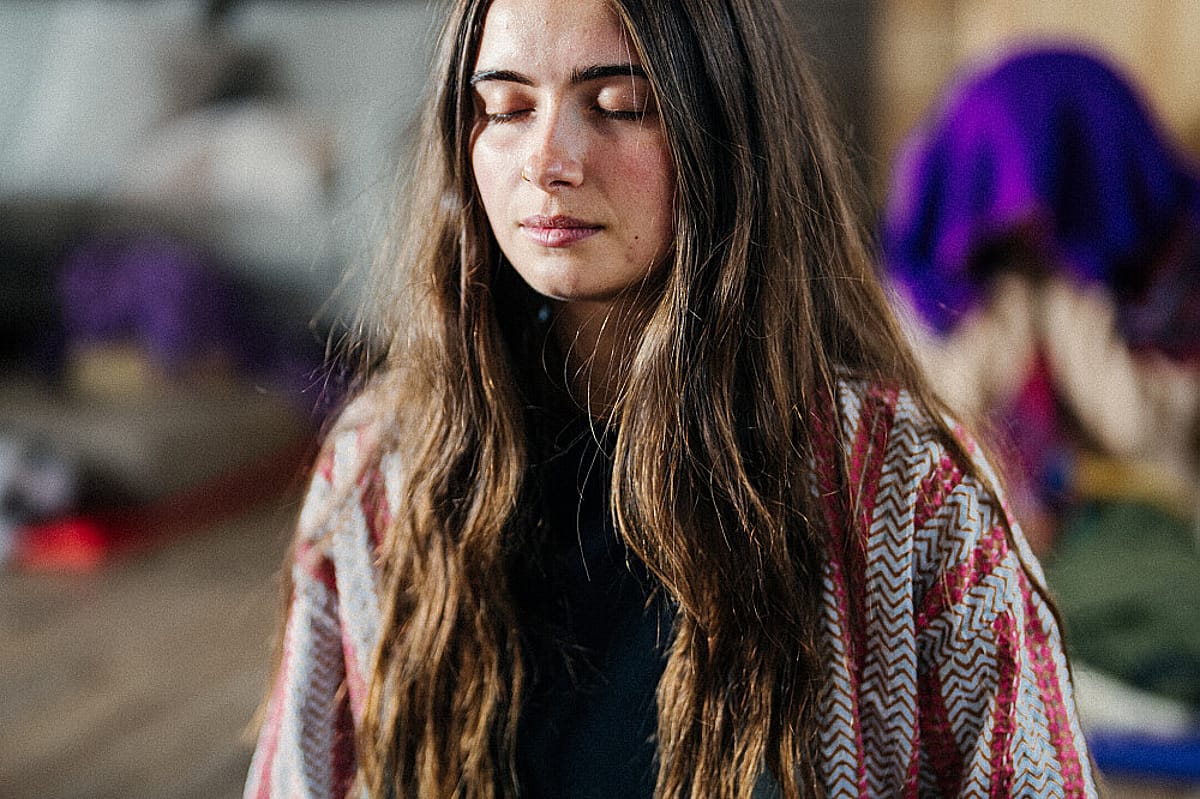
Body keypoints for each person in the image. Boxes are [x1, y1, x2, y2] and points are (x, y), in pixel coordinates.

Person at [244, 2, 1097, 797]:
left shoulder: (900, 488)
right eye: (506, 109)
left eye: (619, 105)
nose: (546, 160)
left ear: (725, 132)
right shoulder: (381, 467)